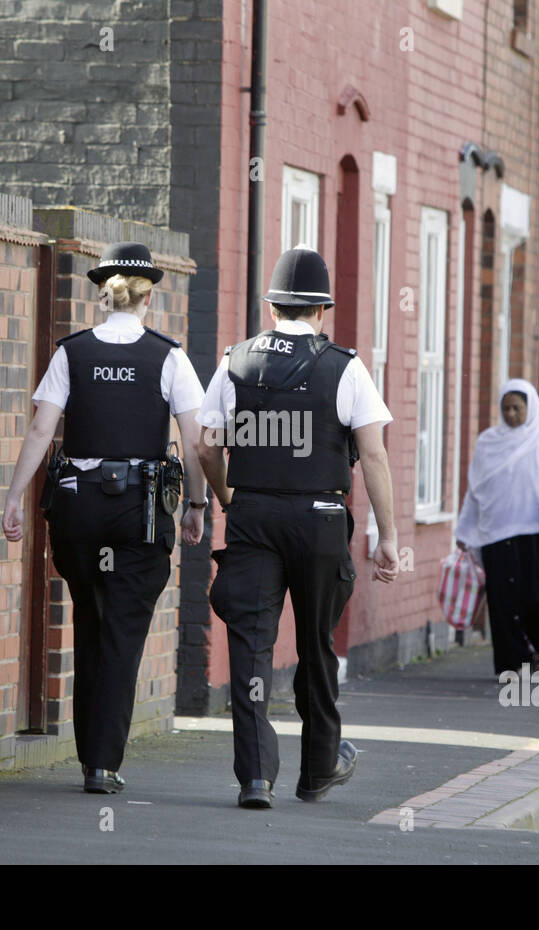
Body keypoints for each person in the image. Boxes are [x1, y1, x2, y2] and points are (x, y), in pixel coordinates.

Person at [196, 245, 400, 810]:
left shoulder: (235, 360)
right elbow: (374, 456)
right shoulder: (345, 365)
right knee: (315, 647)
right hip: (320, 519)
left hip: (254, 517)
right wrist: (388, 537)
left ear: (271, 306)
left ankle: (255, 777)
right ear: (322, 309)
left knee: (251, 646)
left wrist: (229, 498)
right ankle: (317, 769)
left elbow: (206, 446)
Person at [1, 241, 209, 794]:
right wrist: (196, 503)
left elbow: (42, 431)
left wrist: (14, 497)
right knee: (122, 631)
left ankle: (90, 754)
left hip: (77, 510)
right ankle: (101, 763)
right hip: (139, 513)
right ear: (148, 297)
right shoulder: (170, 356)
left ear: (104, 293)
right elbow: (193, 440)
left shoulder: (72, 352)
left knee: (91, 622)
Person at [455, 379, 539, 679]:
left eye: (517, 408)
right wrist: (465, 530)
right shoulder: (487, 443)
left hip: (537, 530)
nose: (510, 414)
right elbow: (476, 489)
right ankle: (512, 666)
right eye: (505, 408)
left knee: (534, 597)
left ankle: (538, 644)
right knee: (502, 601)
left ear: (530, 407)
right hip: (496, 532)